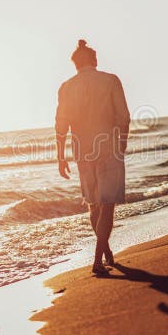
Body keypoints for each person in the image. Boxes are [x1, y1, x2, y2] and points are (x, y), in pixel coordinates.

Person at [55, 39, 130, 276]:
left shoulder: (66, 87)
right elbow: (123, 117)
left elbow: (61, 125)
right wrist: (122, 144)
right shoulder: (110, 80)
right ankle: (99, 259)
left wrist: (60, 156)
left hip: (82, 152)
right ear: (93, 59)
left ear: (75, 63)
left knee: (93, 204)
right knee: (107, 205)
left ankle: (105, 253)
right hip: (108, 148)